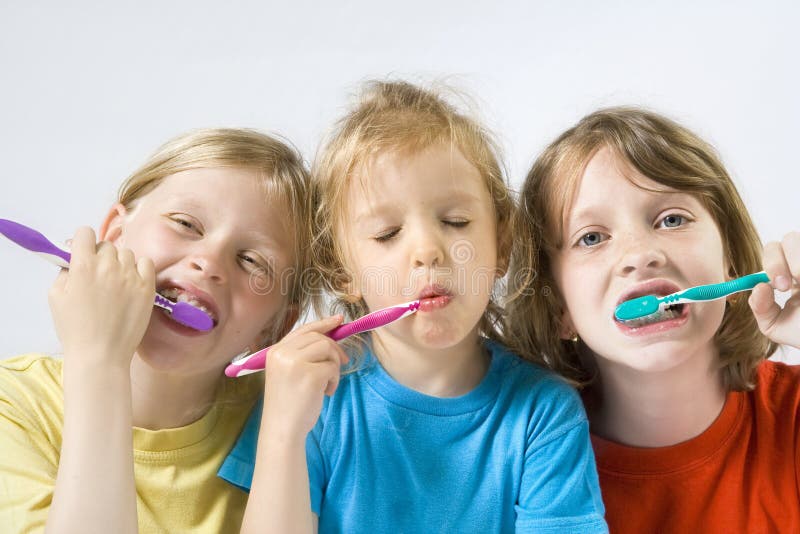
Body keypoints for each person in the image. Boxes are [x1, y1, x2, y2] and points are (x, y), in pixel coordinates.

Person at [219, 81, 608, 533]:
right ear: (341, 270)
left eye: (455, 222)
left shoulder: (543, 412)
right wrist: (284, 431)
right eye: (387, 234)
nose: (428, 250)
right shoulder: (312, 401)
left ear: (501, 245)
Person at [0, 128, 312, 533]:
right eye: (185, 224)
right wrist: (98, 359)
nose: (209, 262)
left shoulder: (296, 424)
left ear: (274, 327)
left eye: (251, 260)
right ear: (114, 235)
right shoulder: (14, 408)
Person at [506, 106, 800, 532]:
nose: (640, 254)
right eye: (591, 238)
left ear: (731, 263)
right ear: (559, 310)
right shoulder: (533, 468)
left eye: (672, 219)